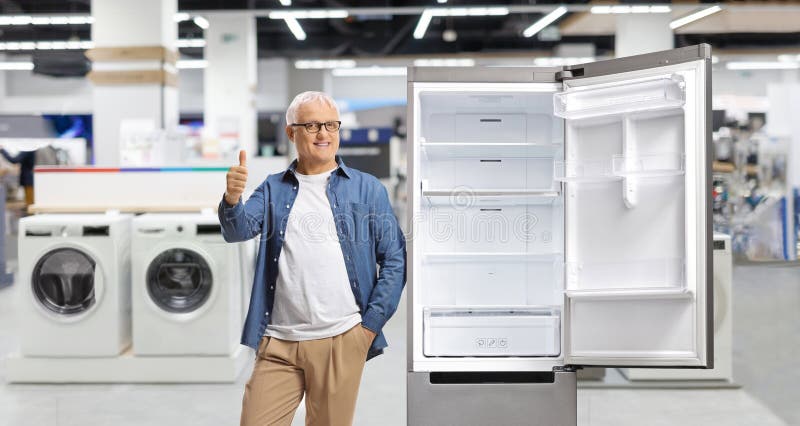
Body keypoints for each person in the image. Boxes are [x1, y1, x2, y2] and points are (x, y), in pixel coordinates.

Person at [218, 91, 406, 426]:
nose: (323, 134)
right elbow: (238, 231)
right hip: (278, 341)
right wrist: (232, 200)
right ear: (291, 132)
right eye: (313, 125)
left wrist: (368, 329)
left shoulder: (367, 189)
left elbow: (393, 259)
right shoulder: (273, 188)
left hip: (341, 339)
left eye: (331, 125)